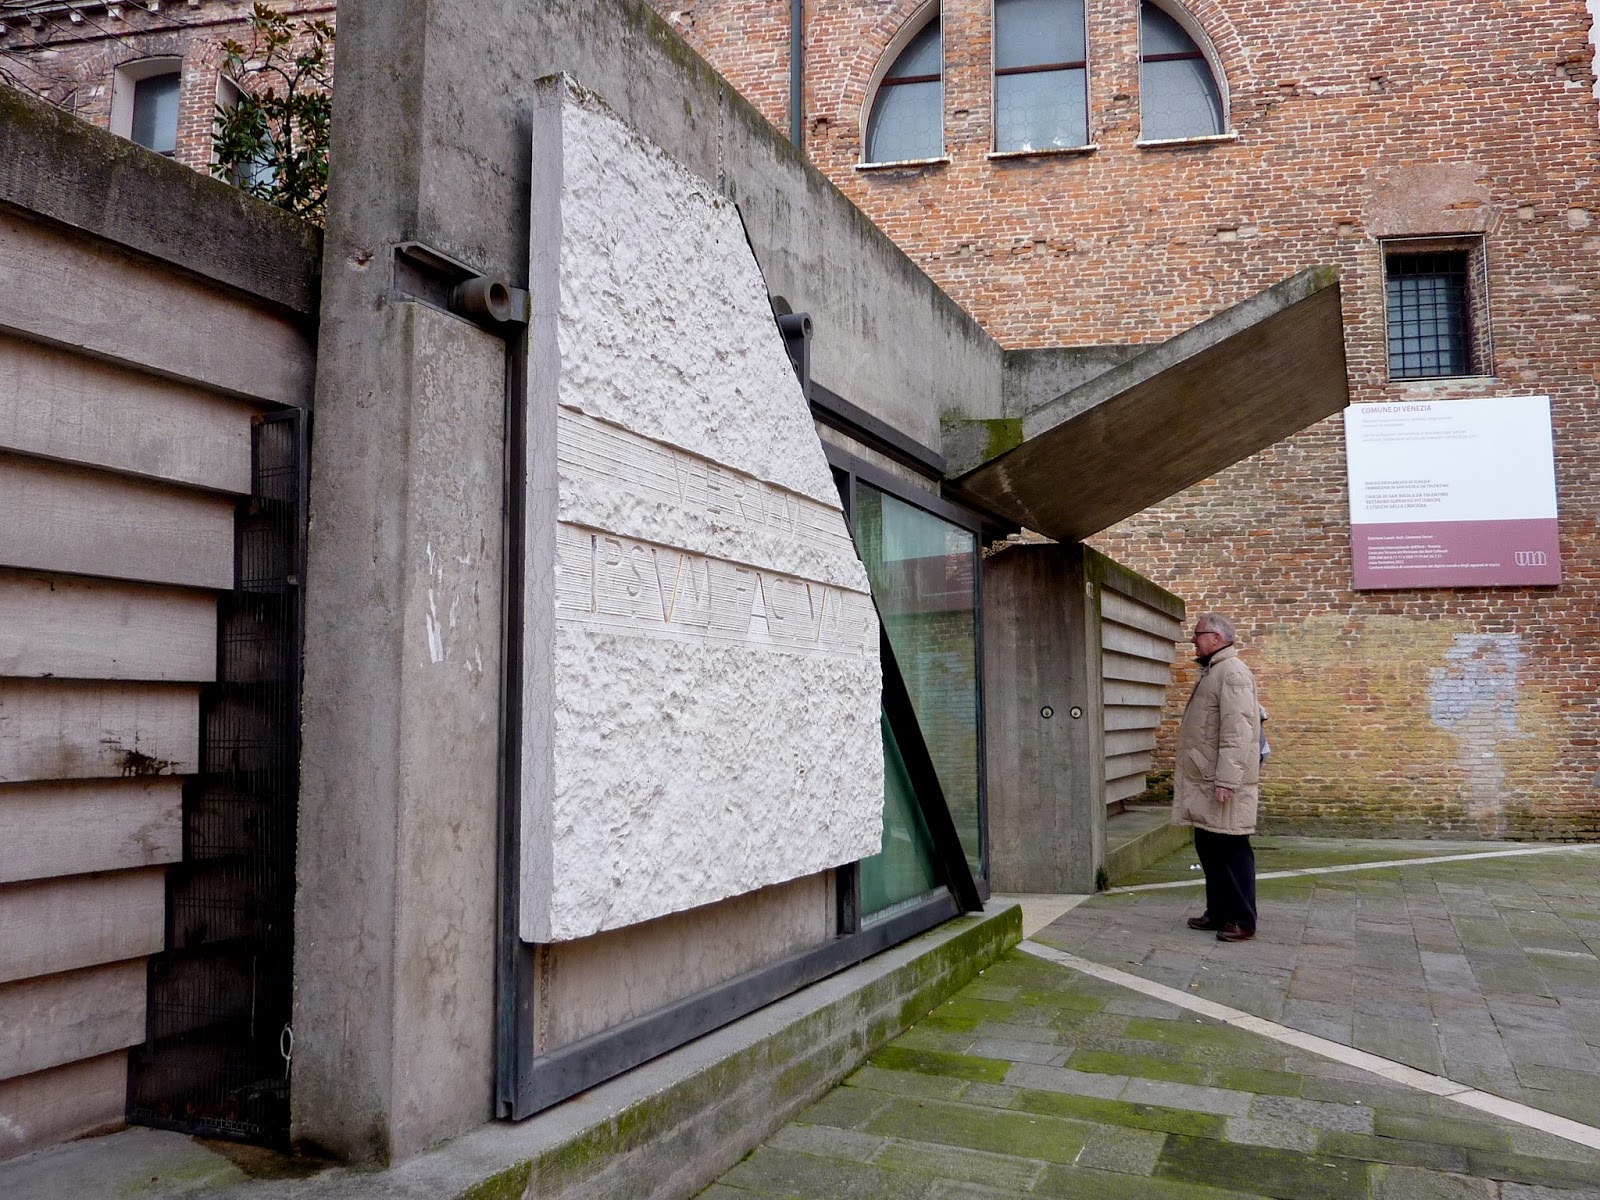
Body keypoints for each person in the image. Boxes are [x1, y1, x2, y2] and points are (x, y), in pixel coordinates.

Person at [1172, 613, 1261, 943]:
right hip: (1206, 778)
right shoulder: (1215, 670)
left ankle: (1242, 919)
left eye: (1197, 634)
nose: (1193, 640)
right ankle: (1219, 912)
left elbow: (1238, 731)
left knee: (1232, 849)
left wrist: (1227, 780)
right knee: (1209, 846)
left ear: (1217, 638)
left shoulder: (1232, 672)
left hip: (1221, 781)